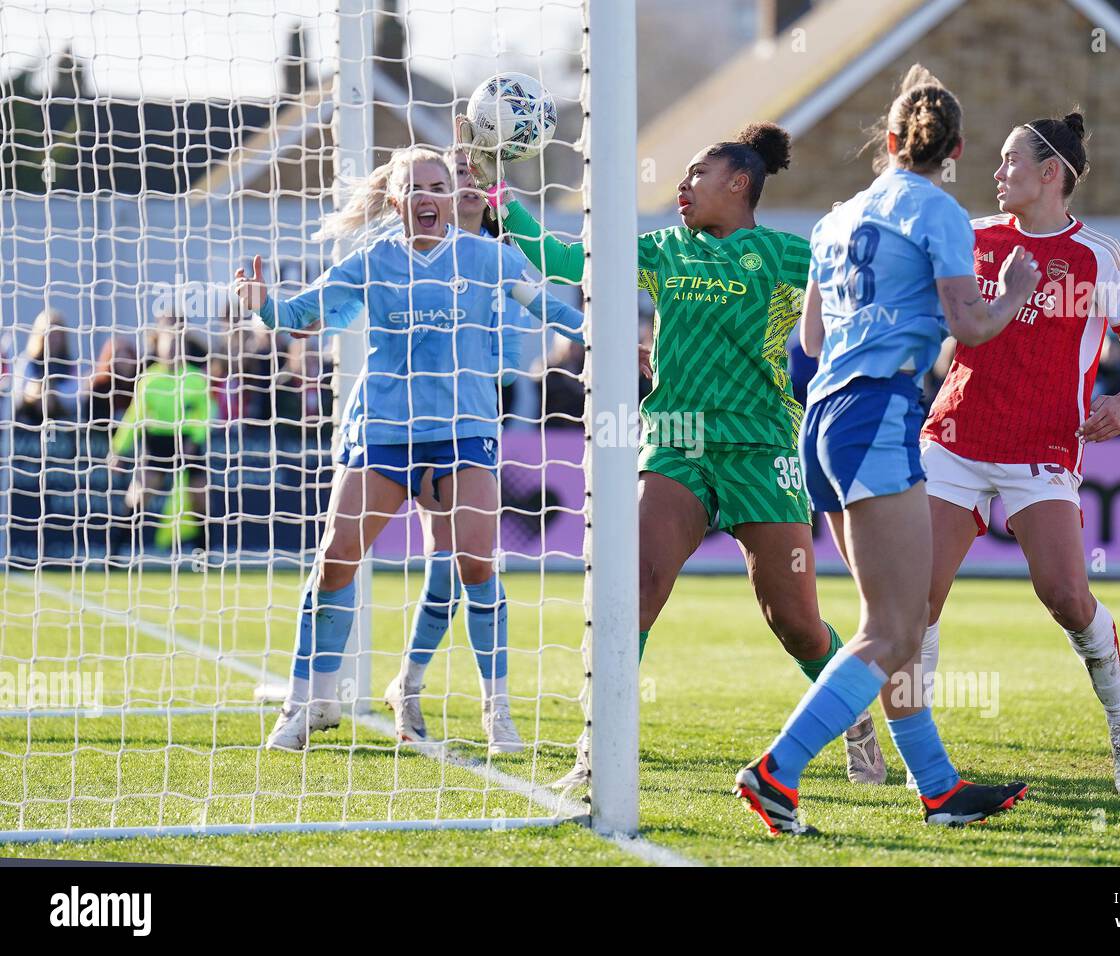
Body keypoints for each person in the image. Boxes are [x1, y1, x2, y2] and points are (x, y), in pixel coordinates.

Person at [472, 121, 886, 789]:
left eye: (697, 173)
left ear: (739, 183)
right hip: (678, 442)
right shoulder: (664, 249)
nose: (682, 186)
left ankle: (856, 720)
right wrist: (500, 200)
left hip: (761, 448)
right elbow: (565, 261)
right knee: (630, 591)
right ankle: (598, 748)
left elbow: (864, 295)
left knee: (799, 627)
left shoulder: (787, 256)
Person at [735, 65, 1037, 835]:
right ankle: (777, 770)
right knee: (894, 629)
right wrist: (1013, 291)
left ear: (890, 141)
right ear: (957, 149)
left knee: (890, 620)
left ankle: (936, 785)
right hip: (877, 411)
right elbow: (969, 327)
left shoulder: (835, 218)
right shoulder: (939, 211)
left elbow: (807, 347)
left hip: (824, 417)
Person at [233, 145, 582, 753]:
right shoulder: (370, 262)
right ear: (395, 200)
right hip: (385, 431)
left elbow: (552, 308)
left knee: (475, 565)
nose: (427, 196)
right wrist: (261, 303)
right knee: (334, 560)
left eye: (437, 186)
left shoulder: (489, 259)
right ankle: (307, 703)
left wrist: (603, 336)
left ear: (451, 197)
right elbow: (298, 316)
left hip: (464, 432)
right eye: (414, 188)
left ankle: (496, 713)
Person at [916, 110, 1120, 798]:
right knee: (918, 599)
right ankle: (924, 753)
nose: (996, 175)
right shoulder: (974, 237)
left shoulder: (1098, 257)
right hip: (955, 440)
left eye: (1009, 163)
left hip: (1045, 447)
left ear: (1050, 174)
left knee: (1066, 596)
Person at [108, 323, 214, 556]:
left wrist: (194, 440)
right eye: (170, 344)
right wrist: (117, 450)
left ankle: (203, 555)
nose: (174, 349)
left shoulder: (196, 378)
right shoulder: (149, 380)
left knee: (199, 498)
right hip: (158, 442)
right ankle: (114, 552)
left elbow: (206, 413)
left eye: (179, 344)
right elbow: (133, 417)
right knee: (139, 496)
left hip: (188, 443)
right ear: (159, 346)